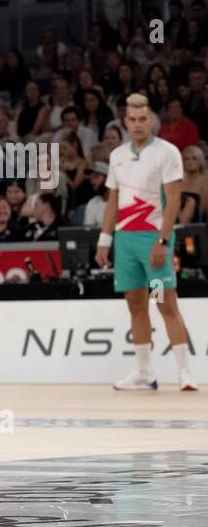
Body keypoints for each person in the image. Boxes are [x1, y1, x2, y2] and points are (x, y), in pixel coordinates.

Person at [97, 94, 197, 391]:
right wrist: (105, 241)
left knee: (164, 302)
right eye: (133, 119)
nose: (138, 124)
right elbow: (112, 201)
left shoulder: (167, 153)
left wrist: (163, 241)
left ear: (151, 120)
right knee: (136, 304)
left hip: (153, 239)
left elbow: (175, 199)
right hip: (125, 242)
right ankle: (144, 372)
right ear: (125, 120)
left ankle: (184, 372)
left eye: (143, 119)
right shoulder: (117, 156)